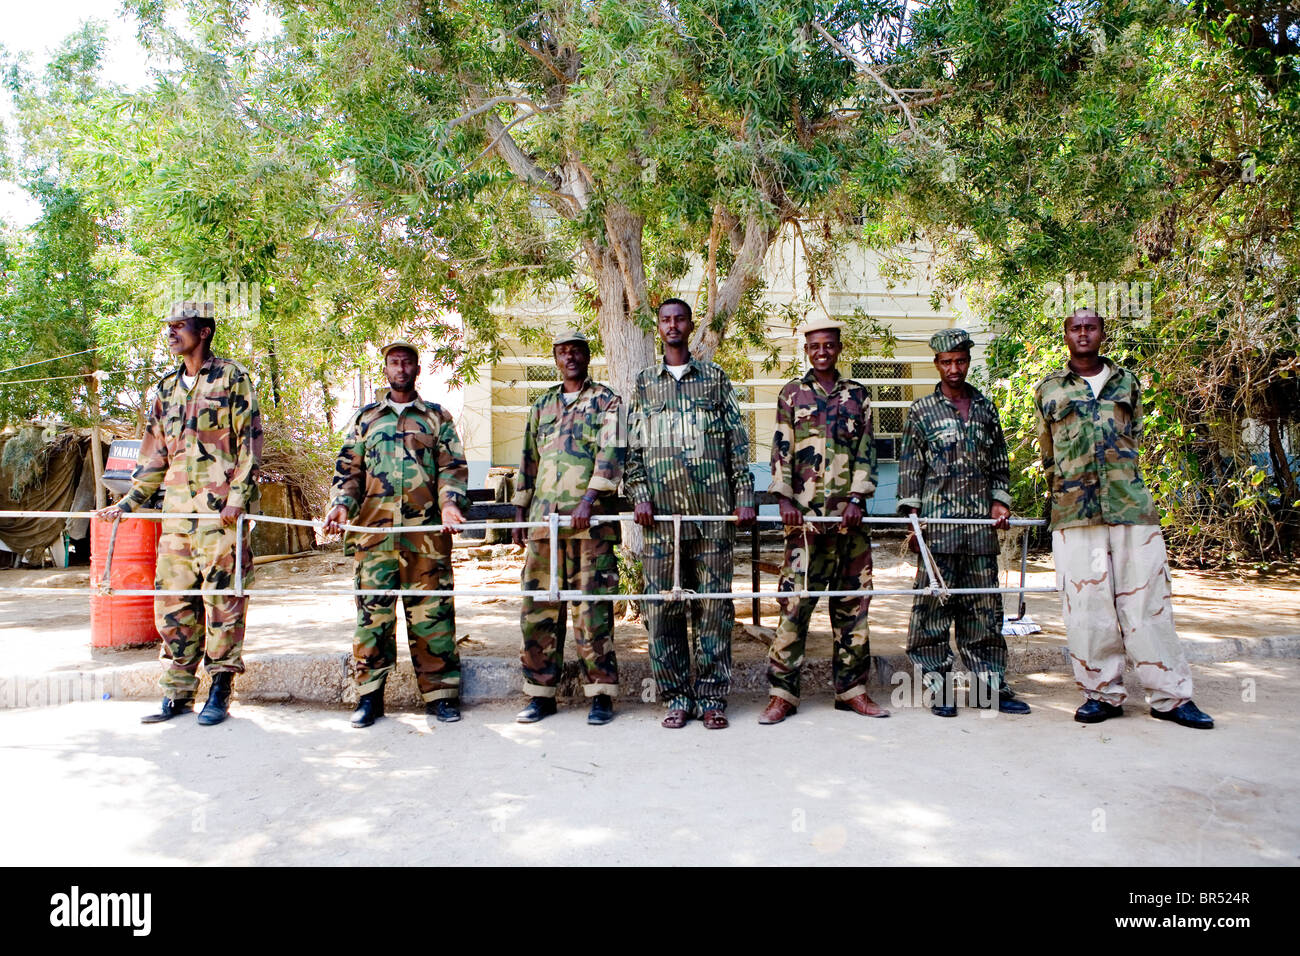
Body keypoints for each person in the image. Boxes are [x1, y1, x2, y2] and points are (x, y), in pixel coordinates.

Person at [1034, 308, 1212, 729]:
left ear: (1101, 334)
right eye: (1075, 327)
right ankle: (1102, 694)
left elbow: (1138, 438)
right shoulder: (1049, 389)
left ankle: (1170, 697)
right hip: (1076, 514)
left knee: (1148, 603)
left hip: (1131, 508)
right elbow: (1047, 453)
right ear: (1065, 335)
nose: (1082, 333)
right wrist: (1061, 495)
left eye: (1090, 327)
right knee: (1087, 606)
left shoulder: (1127, 382)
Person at [98, 301, 262, 726]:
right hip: (175, 517)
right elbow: (153, 456)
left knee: (224, 601)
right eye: (169, 327)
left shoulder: (231, 377)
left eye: (180, 326)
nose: (171, 333)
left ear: (204, 331)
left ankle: (220, 689)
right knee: (172, 605)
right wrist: (128, 503)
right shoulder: (166, 388)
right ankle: (177, 692)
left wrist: (238, 498)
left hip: (219, 516)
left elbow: (249, 444)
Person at [324, 340, 469, 728]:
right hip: (374, 537)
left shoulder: (437, 418)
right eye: (394, 362)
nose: (400, 368)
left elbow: (452, 468)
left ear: (417, 370)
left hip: (425, 538)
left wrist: (452, 503)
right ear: (385, 369)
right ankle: (370, 697)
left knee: (432, 616)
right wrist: (340, 505)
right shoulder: (366, 418)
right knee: (373, 619)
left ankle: (440, 695)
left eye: (407, 362)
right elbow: (348, 472)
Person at [625, 298, 755, 729]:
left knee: (715, 609)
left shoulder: (715, 379)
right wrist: (639, 494)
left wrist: (744, 493)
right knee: (663, 610)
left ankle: (713, 697)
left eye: (680, 318)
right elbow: (632, 450)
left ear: (690, 325)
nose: (673, 325)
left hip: (712, 514)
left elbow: (738, 441)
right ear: (658, 327)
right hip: (661, 520)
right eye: (665, 319)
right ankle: (677, 697)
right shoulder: (644, 383)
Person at [758, 319, 888, 724]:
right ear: (806, 350)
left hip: (849, 523)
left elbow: (868, 451)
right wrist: (783, 500)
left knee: (853, 608)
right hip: (806, 525)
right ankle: (782, 695)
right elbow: (781, 448)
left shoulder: (858, 396)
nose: (822, 352)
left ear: (838, 348)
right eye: (814, 346)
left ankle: (852, 691)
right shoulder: (792, 394)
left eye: (829, 345)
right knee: (794, 607)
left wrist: (857, 497)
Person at [897, 328, 1031, 717]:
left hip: (979, 530)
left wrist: (999, 502)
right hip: (938, 529)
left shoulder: (986, 410)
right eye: (946, 362)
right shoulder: (922, 411)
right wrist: (913, 516)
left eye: (960, 361)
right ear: (936, 364)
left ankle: (990, 687)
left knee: (983, 611)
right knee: (932, 611)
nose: (954, 368)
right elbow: (910, 468)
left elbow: (1000, 466)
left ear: (968, 362)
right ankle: (937, 688)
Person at [510, 330, 624, 725]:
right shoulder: (541, 406)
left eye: (576, 350)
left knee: (592, 611)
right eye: (562, 352)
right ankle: (541, 694)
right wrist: (520, 512)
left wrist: (589, 500)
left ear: (587, 356)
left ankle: (601, 695)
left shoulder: (607, 401)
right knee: (539, 610)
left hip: (590, 526)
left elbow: (612, 453)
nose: (570, 357)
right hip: (545, 525)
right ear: (555, 359)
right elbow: (527, 461)